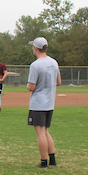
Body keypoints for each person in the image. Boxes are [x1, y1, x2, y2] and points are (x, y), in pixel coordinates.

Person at [26, 37, 62, 168]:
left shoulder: (35, 65)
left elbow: (31, 87)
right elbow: (58, 82)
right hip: (49, 103)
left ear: (36, 48)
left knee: (40, 133)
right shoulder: (53, 62)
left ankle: (43, 162)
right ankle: (52, 159)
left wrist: (29, 86)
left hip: (38, 103)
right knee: (45, 131)